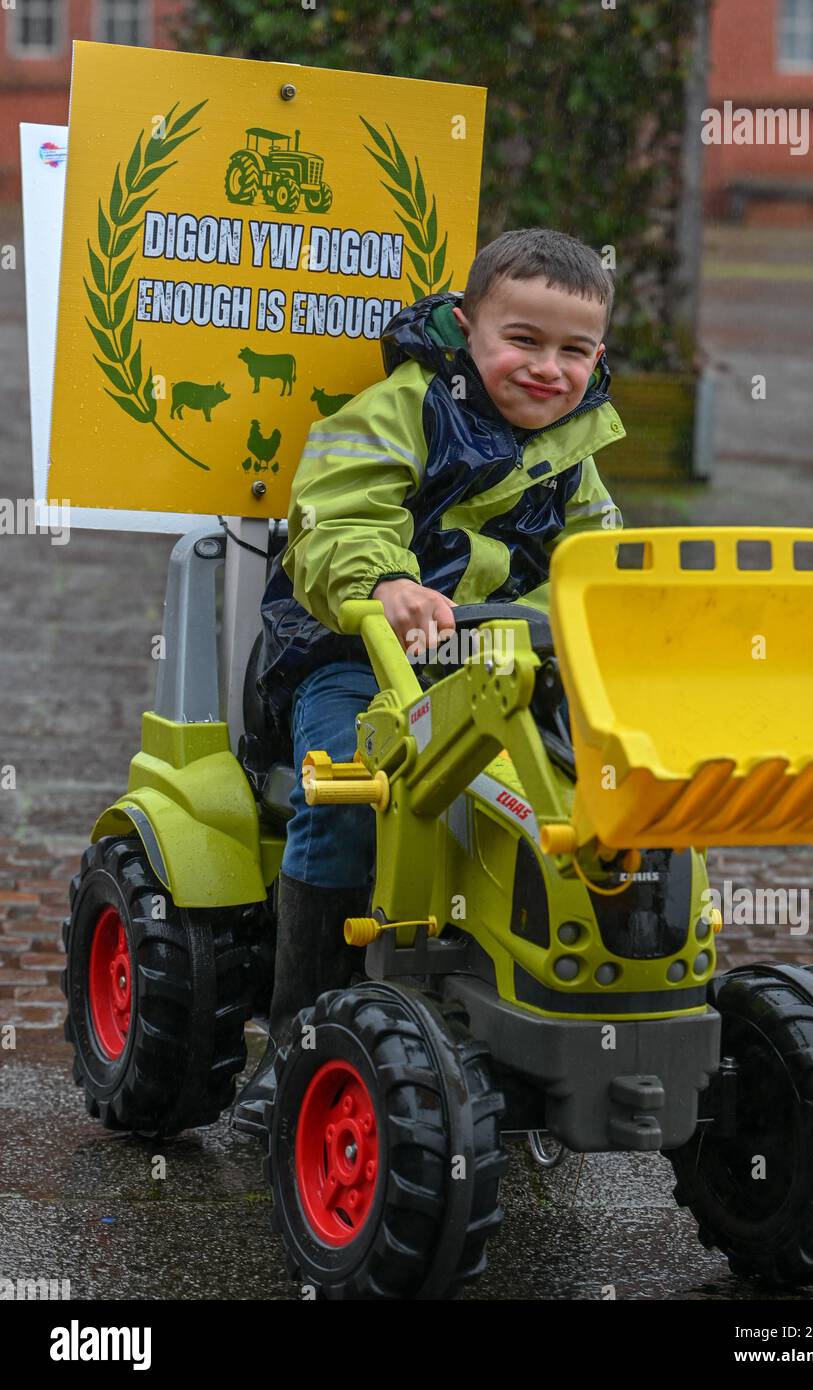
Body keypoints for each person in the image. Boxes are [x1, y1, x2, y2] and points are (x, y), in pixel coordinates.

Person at [231, 227, 627, 1137]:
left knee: (577, 788)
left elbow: (600, 562)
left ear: (596, 358)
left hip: (502, 666)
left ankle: (545, 994)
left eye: (573, 351)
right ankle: (298, 1035)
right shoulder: (399, 408)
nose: (547, 369)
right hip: (352, 652)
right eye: (521, 340)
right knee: (347, 795)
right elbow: (334, 515)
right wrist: (386, 581)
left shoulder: (576, 448)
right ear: (465, 326)